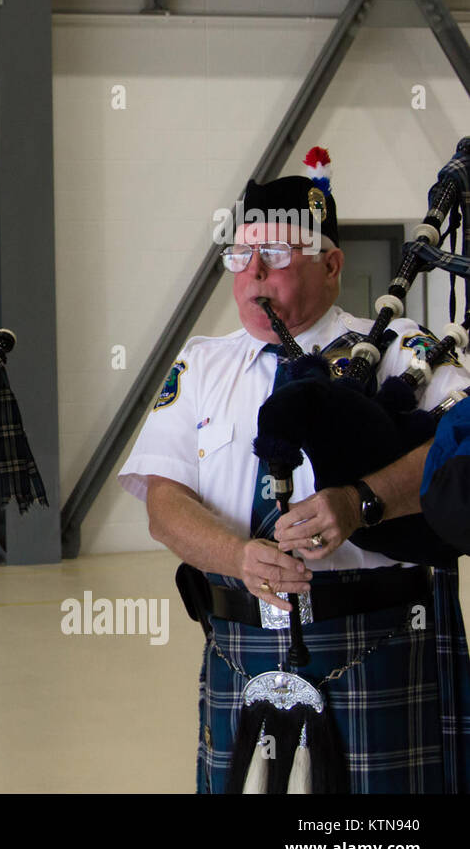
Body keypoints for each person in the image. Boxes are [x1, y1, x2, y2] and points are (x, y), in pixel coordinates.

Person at [119, 159, 470, 793]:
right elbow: (165, 505)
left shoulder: (404, 351)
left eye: (276, 256)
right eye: (241, 256)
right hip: (238, 642)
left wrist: (364, 501)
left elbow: (460, 452)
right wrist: (237, 555)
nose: (253, 275)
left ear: (331, 266)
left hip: (377, 642)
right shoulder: (200, 365)